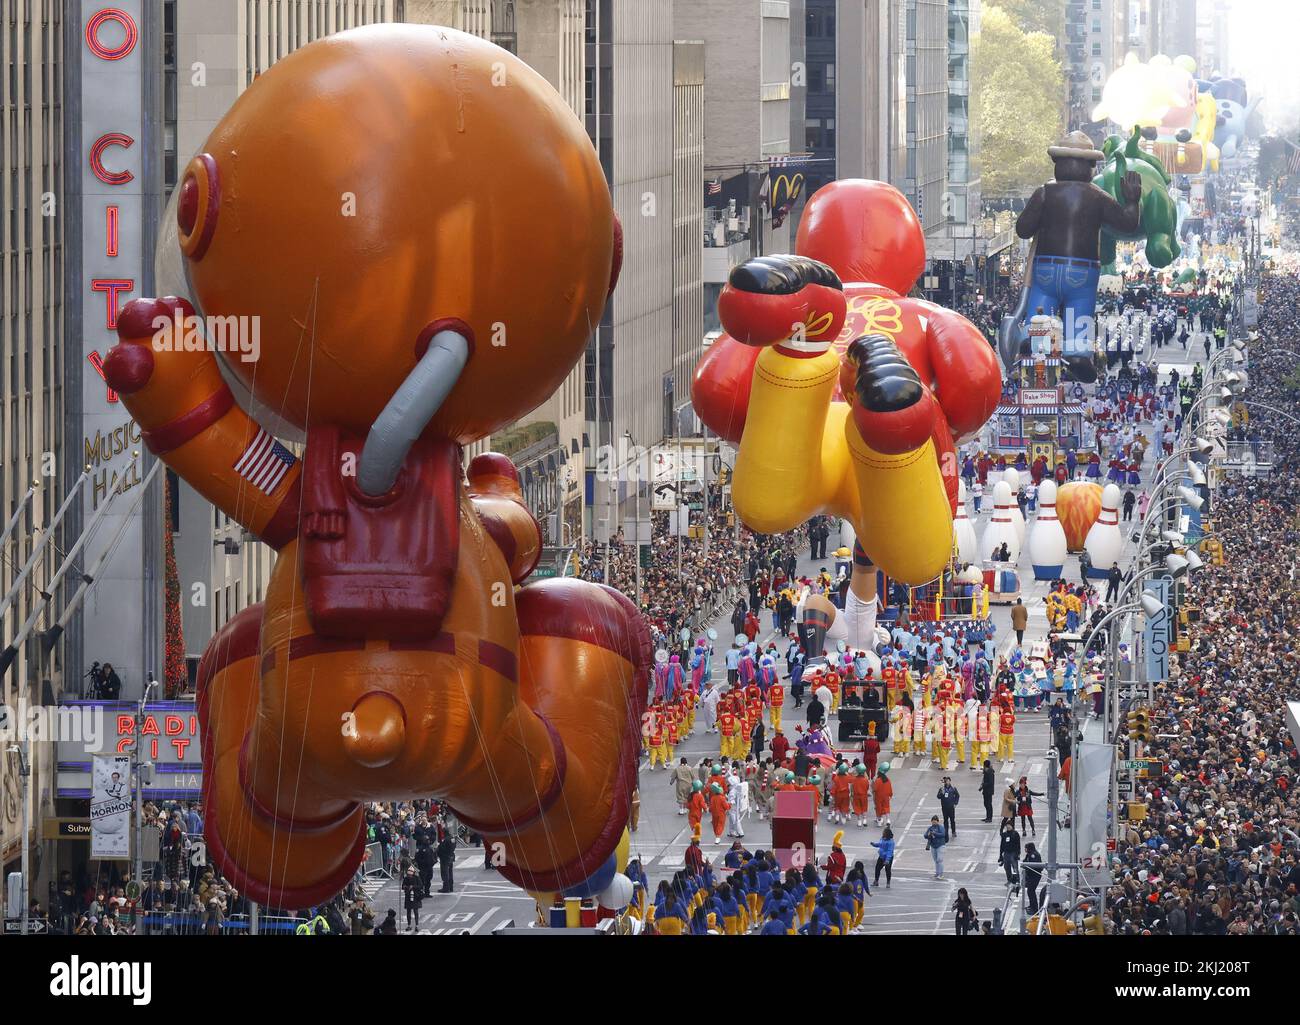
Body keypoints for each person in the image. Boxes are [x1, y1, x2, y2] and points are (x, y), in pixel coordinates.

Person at [998, 819, 1021, 886]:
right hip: (1006, 853)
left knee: (1015, 868)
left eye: (1009, 825)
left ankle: (1017, 881)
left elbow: (1018, 845)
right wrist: (1000, 855)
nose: (1008, 827)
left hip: (1013, 853)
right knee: (1007, 868)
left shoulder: (1015, 834)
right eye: (1007, 825)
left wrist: (1017, 853)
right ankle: (1009, 880)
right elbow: (1002, 845)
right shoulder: (1004, 835)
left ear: (1012, 826)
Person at [923, 815, 948, 880]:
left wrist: (935, 833)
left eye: (935, 822)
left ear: (937, 821)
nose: (934, 823)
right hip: (933, 846)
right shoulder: (930, 828)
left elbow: (943, 834)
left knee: (939, 860)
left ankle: (941, 874)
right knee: (936, 861)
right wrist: (928, 835)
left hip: (940, 845)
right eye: (933, 822)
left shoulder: (940, 827)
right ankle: (937, 873)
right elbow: (925, 835)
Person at [401, 865, 423, 931]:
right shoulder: (406, 878)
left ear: (413, 873)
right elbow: (403, 886)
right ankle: (409, 925)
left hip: (416, 896)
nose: (409, 876)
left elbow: (421, 886)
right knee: (408, 912)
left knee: (416, 911)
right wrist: (405, 887)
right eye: (408, 874)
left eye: (410, 874)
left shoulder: (417, 878)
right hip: (408, 896)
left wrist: (413, 886)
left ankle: (417, 925)